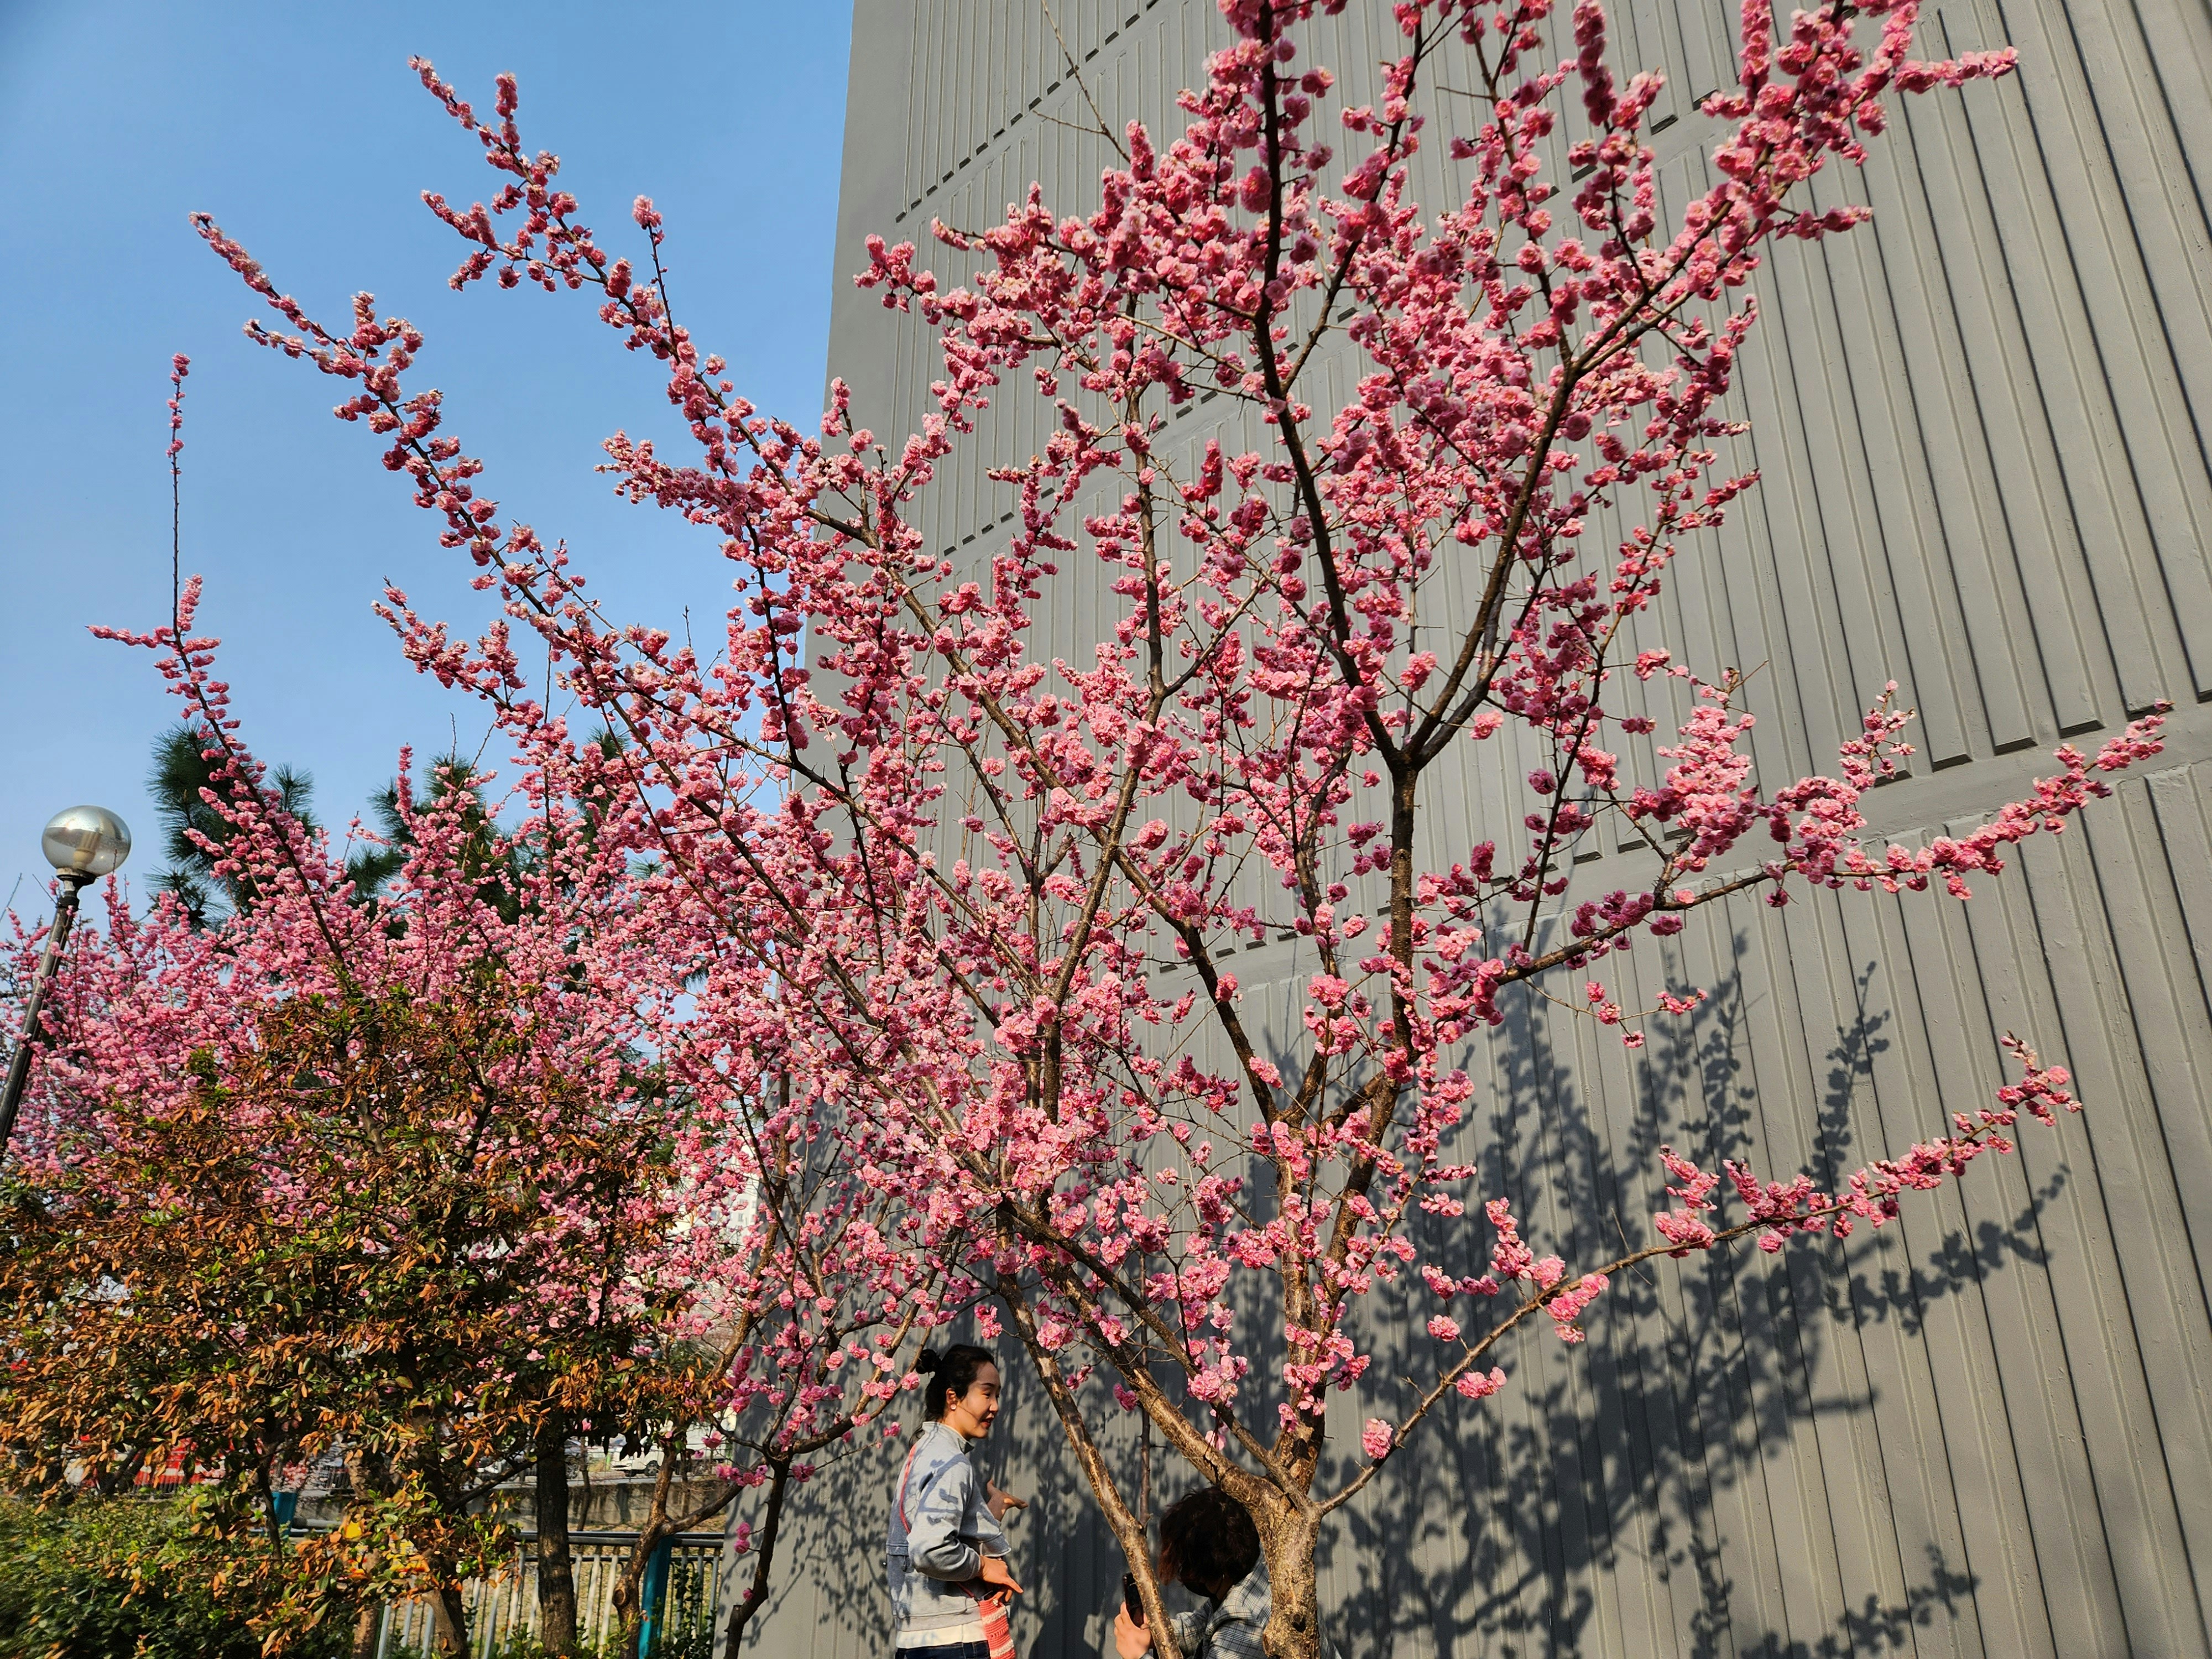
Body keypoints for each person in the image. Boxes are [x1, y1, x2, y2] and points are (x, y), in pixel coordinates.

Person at [887, 1344, 1029, 1657]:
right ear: (953, 1398)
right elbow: (930, 1550)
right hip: (955, 1641)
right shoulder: (951, 1463)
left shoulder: (923, 1451)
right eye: (987, 1393)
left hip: (922, 1638)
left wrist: (995, 1508)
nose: (995, 1406)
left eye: (997, 1395)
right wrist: (982, 1567)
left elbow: (932, 1533)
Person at [1113, 1487, 1292, 1659]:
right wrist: (1153, 1630)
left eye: (1186, 1568)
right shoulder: (1247, 1567)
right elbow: (1199, 1627)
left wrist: (1137, 1655)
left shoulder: (1246, 1621)